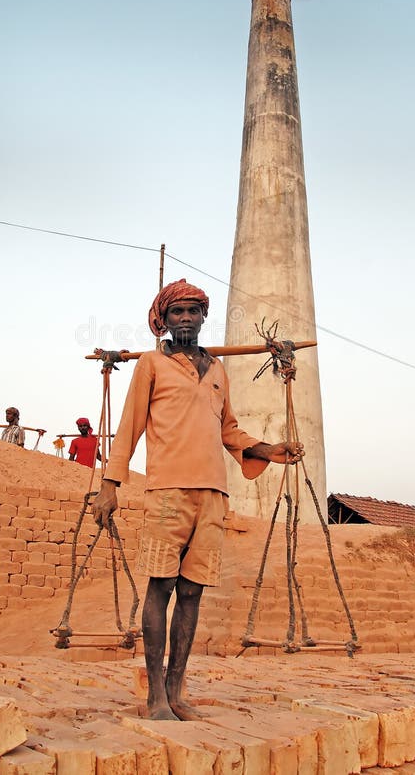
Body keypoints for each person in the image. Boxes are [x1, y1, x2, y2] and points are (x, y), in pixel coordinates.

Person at [92, 278, 304, 721]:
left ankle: (176, 692)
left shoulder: (218, 372)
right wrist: (109, 485)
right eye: (177, 313)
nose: (185, 319)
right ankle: (154, 698)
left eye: (193, 312)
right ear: (163, 321)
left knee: (191, 592)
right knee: (161, 585)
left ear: (204, 317)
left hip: (213, 491)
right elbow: (128, 426)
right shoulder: (151, 364)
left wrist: (267, 450)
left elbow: (228, 429)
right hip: (168, 489)